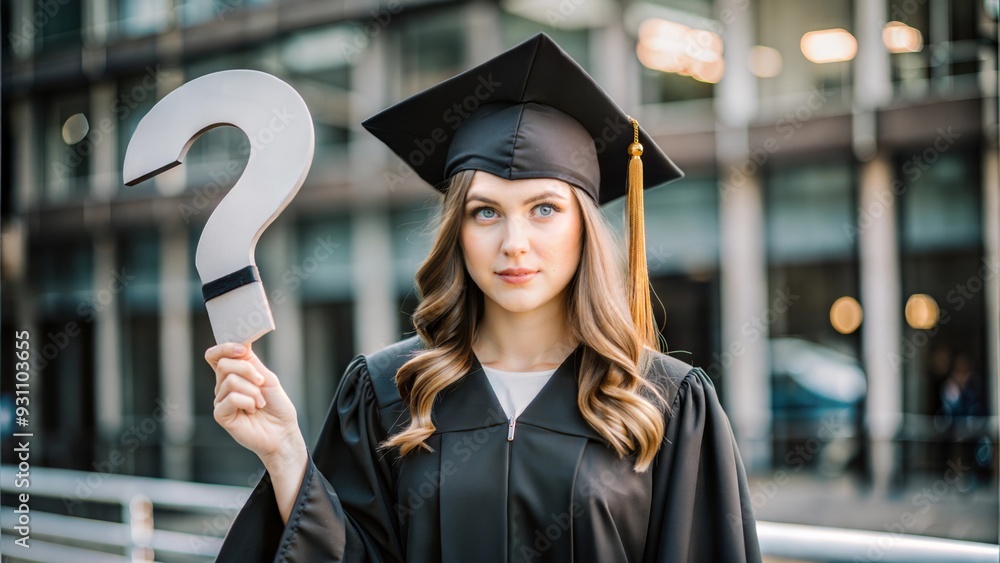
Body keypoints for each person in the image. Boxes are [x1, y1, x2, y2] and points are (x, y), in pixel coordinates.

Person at [205, 33, 762, 562]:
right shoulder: (389, 394)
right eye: (485, 212)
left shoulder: (664, 404)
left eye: (545, 209)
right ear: (459, 233)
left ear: (583, 230)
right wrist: (284, 453)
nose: (514, 244)